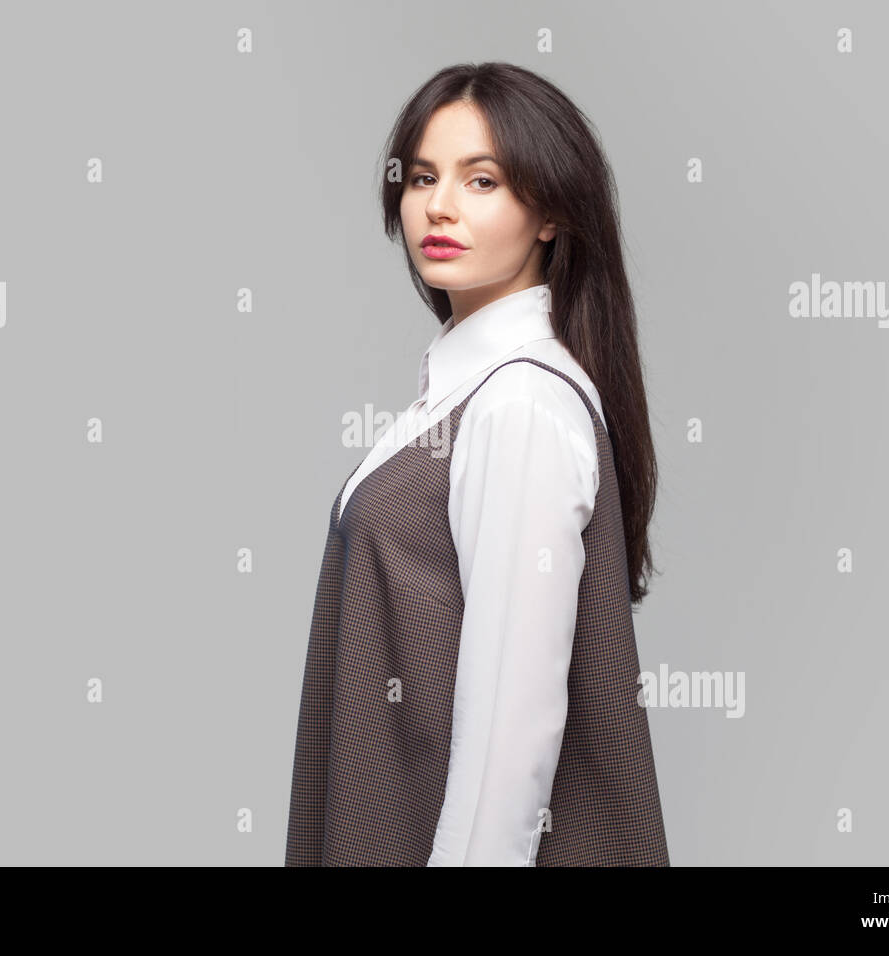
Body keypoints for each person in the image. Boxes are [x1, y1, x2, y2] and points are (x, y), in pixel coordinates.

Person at [286, 62, 669, 867]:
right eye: (422, 176)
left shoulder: (518, 406)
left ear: (551, 214)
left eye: (483, 179)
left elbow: (510, 729)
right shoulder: (465, 397)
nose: (440, 205)